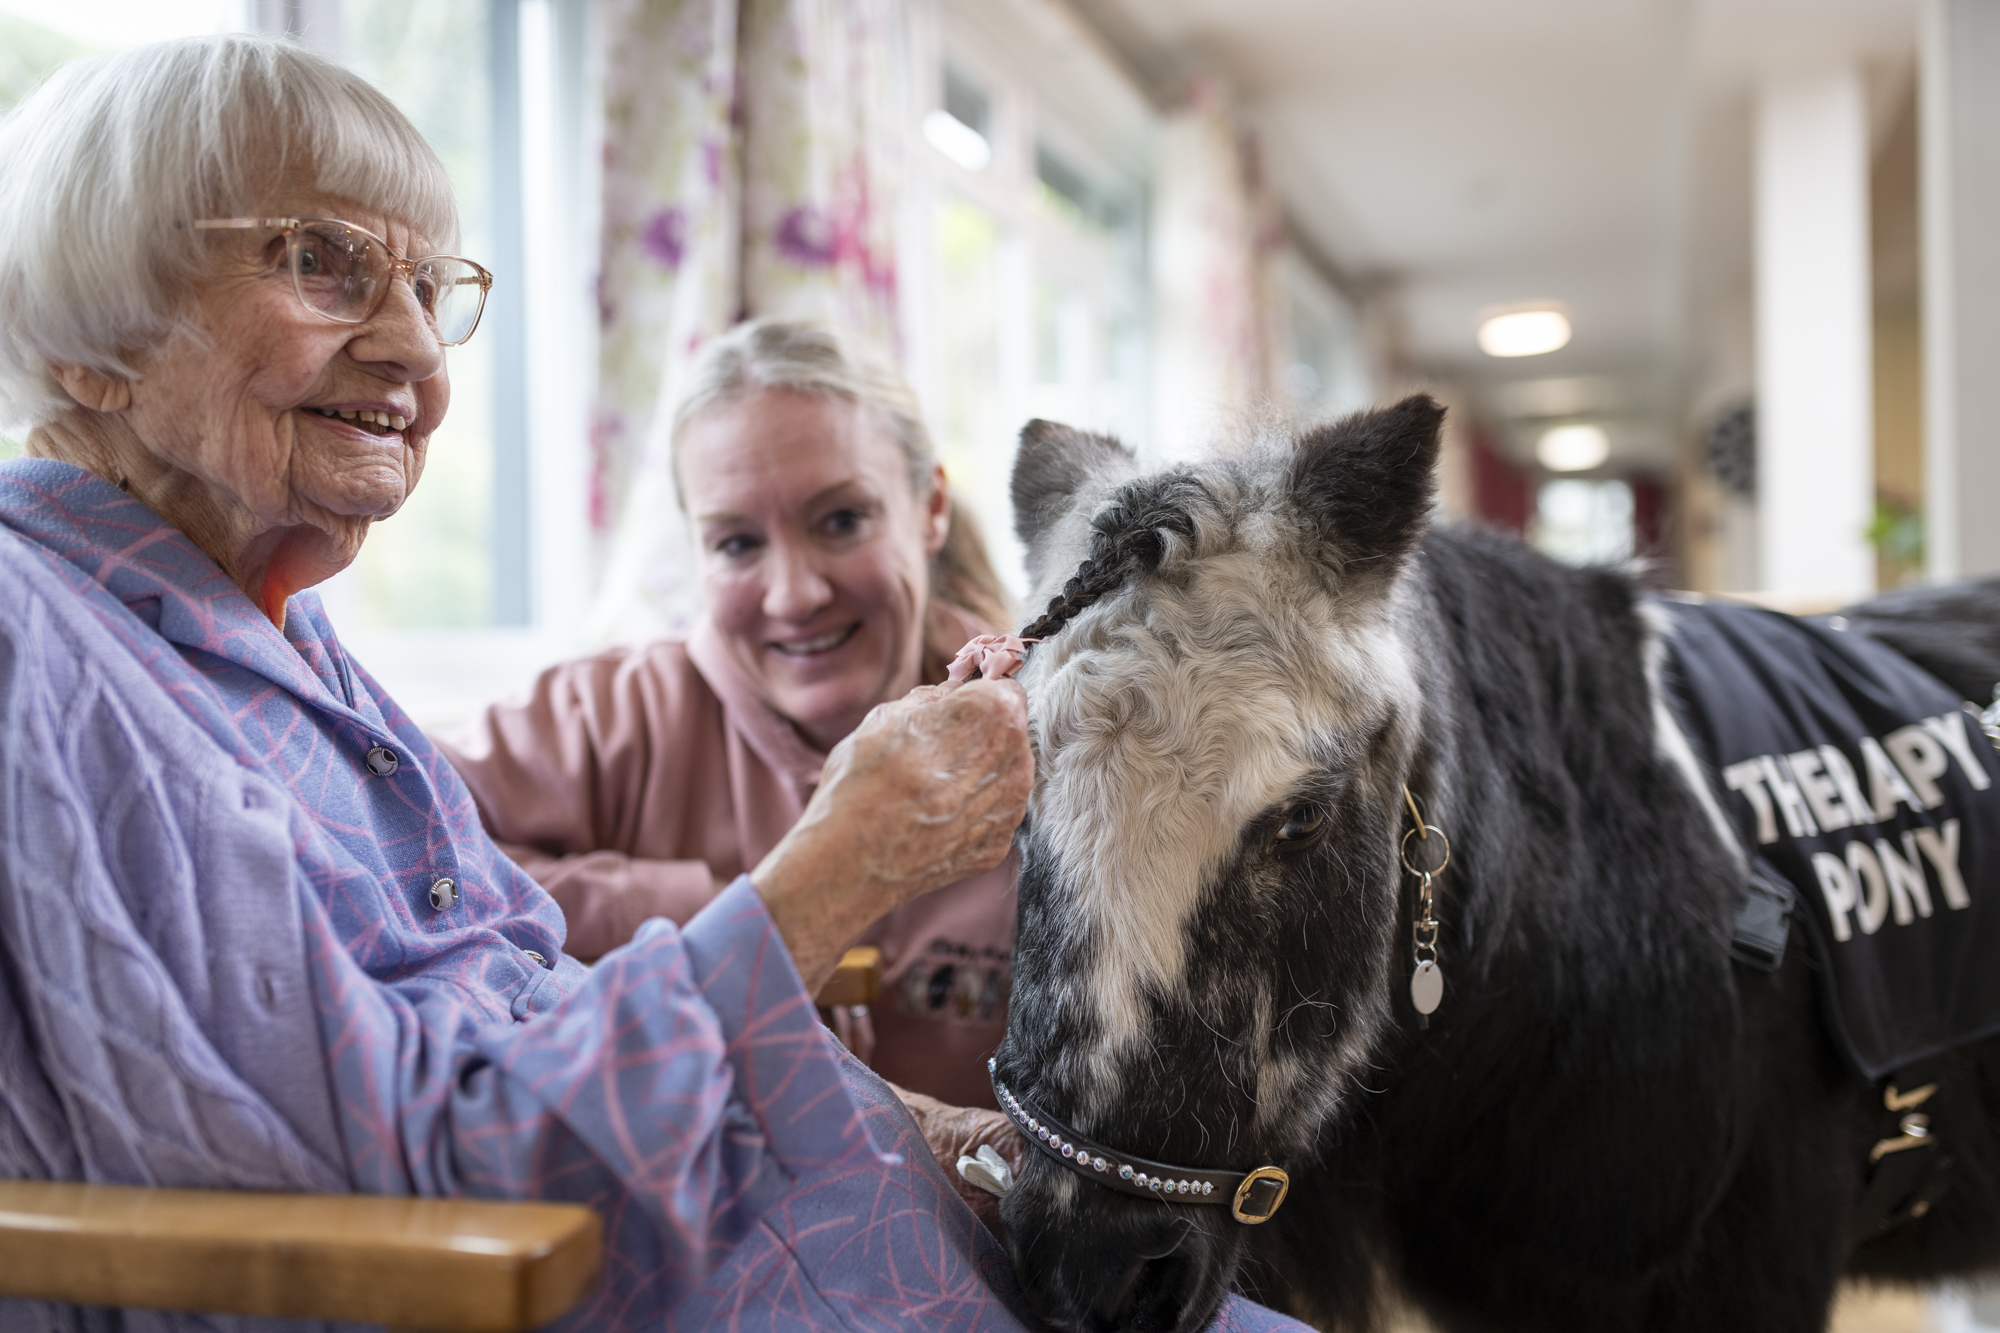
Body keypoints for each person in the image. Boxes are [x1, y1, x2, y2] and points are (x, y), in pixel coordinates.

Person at [0, 34, 1309, 1332]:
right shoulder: (44, 646)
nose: (416, 350)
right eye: (320, 262)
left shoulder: (271, 632)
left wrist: (915, 1124)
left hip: (874, 1222)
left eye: (426, 287)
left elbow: (508, 1004)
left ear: (928, 512)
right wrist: (826, 876)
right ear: (92, 335)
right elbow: (423, 1194)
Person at [438, 318, 1019, 1108]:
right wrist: (718, 909)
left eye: (842, 520)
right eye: (738, 543)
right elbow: (389, 861)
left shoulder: (1063, 743)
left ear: (931, 507)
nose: (794, 594)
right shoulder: (607, 717)